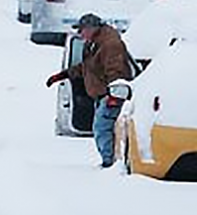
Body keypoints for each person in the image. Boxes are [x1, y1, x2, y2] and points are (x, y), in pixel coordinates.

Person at [45, 13, 134, 168]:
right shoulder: (94, 43)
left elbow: (116, 71)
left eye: (82, 30)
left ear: (92, 28)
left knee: (102, 127)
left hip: (110, 95)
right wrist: (64, 74)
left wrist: (114, 95)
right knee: (103, 128)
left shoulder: (110, 45)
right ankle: (111, 160)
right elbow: (88, 67)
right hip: (101, 96)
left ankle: (109, 163)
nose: (80, 34)